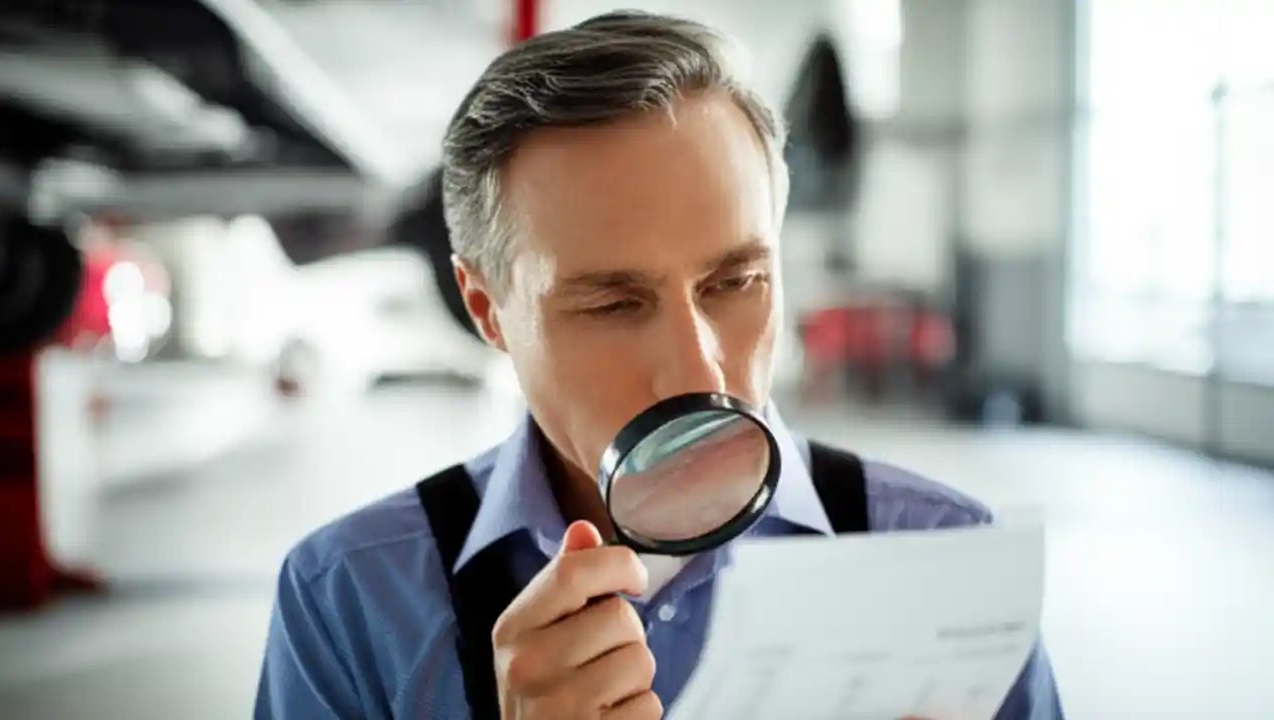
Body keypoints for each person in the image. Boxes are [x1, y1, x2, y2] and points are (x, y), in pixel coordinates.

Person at [256, 11, 1063, 719]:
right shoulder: (349, 599)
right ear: (486, 309)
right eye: (613, 304)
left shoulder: (944, 559)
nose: (696, 367)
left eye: (735, 282)